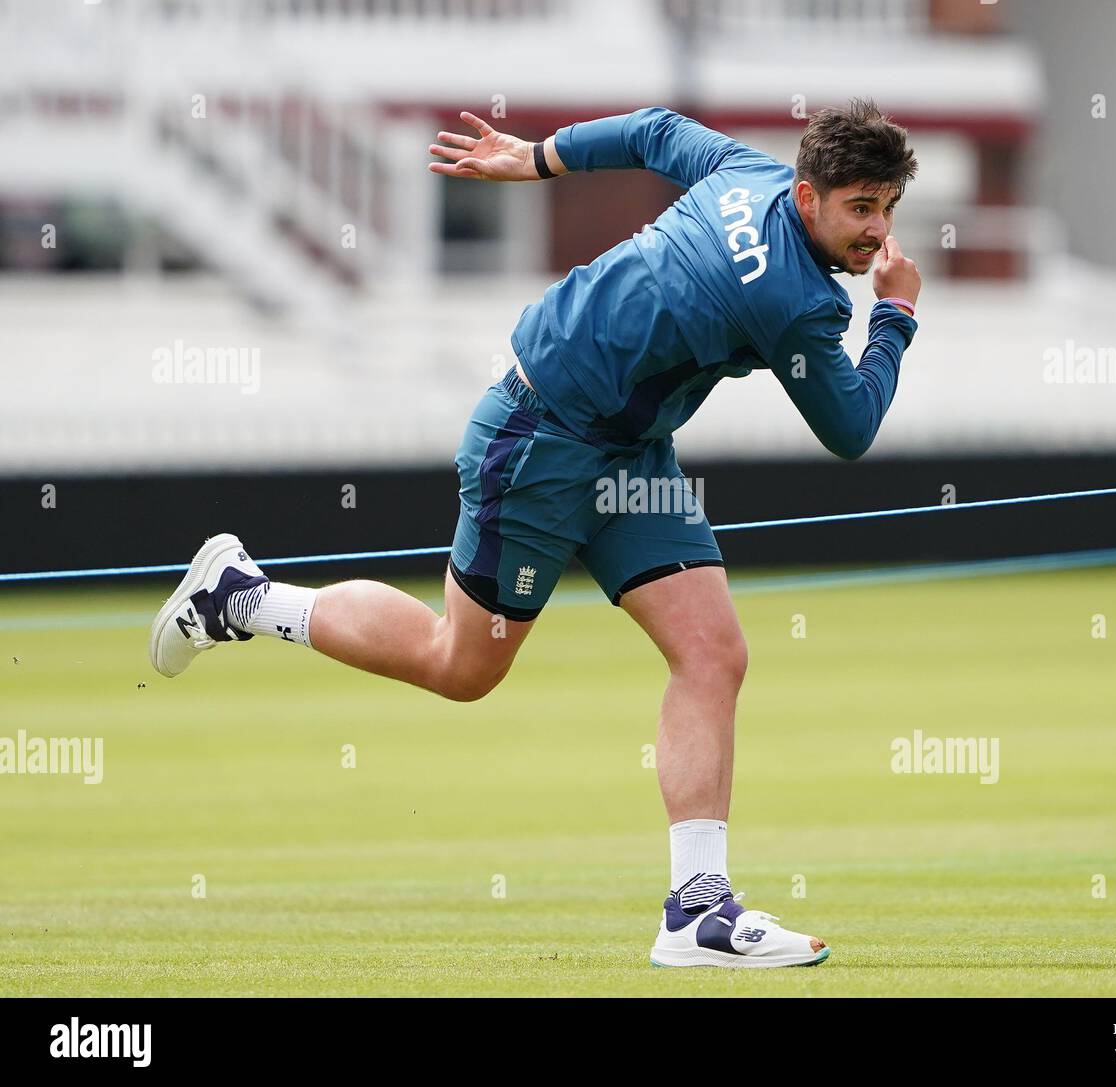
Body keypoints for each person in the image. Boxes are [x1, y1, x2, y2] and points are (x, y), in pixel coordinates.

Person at [150, 99, 921, 968]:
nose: (877, 230)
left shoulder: (747, 173)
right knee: (460, 665)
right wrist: (894, 316)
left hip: (625, 450)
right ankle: (241, 598)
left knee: (712, 653)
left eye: (888, 208)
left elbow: (658, 130)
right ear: (808, 196)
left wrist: (538, 156)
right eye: (862, 208)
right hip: (541, 442)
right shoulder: (797, 304)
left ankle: (697, 911)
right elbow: (851, 428)